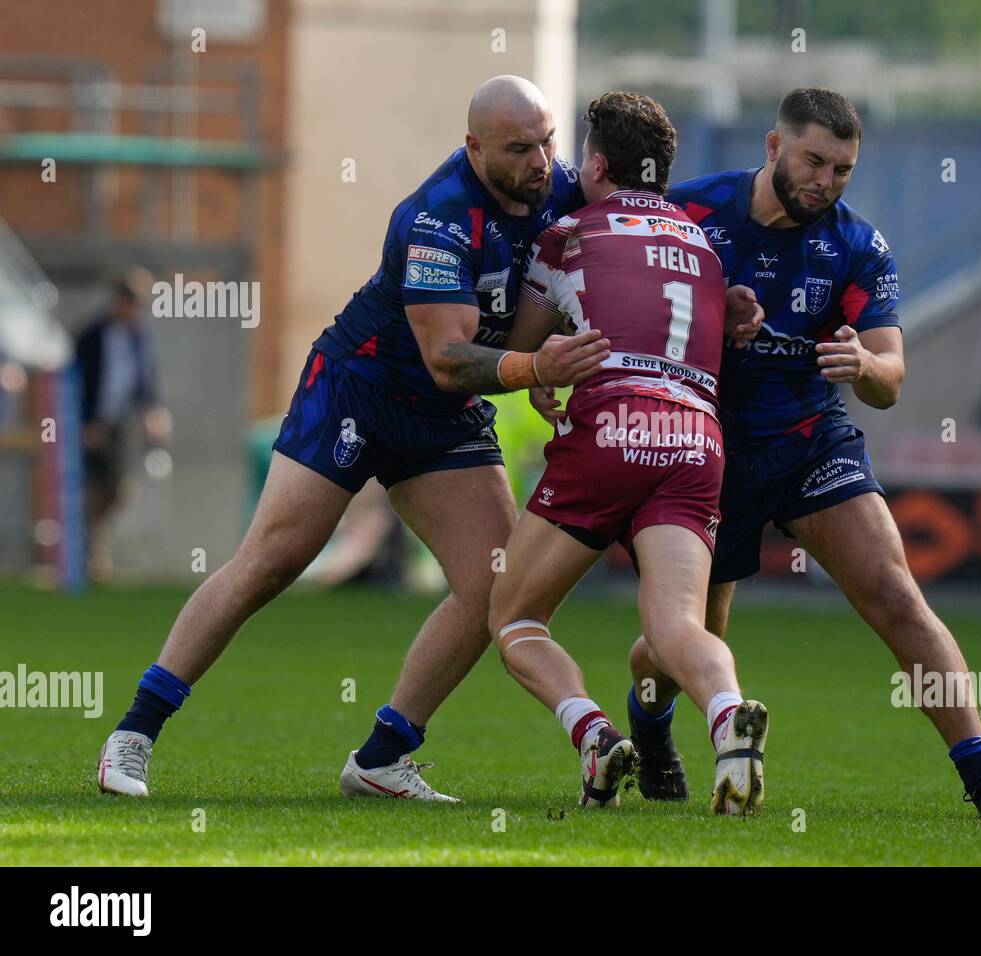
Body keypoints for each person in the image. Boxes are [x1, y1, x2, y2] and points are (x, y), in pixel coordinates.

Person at [96, 75, 611, 801]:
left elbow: (641, 233)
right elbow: (447, 358)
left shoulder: (557, 187)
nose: (540, 162)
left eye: (547, 142)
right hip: (357, 392)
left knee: (496, 589)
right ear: (474, 147)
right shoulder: (436, 216)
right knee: (270, 562)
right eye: (519, 148)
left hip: (442, 417)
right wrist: (533, 367)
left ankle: (381, 757)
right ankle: (133, 734)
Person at [617, 88, 981, 819]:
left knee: (895, 596)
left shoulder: (858, 247)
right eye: (814, 161)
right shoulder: (687, 214)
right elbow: (626, 313)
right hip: (705, 451)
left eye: (842, 170)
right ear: (774, 146)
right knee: (683, 644)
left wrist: (863, 365)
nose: (825, 181)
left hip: (811, 444)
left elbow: (890, 379)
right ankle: (649, 724)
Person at [490, 92, 768, 814]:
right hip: (697, 437)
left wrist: (540, 369)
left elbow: (521, 351)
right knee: (675, 628)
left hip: (613, 429)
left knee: (514, 618)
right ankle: (728, 713)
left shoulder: (568, 234)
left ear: (597, 164)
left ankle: (594, 734)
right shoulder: (703, 246)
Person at [75, 268, 172, 582]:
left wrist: (153, 411)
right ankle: (91, 552)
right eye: (134, 301)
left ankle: (92, 541)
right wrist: (84, 422)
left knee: (122, 489)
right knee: (95, 486)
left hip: (123, 424)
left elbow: (146, 378)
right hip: (94, 423)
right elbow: (76, 381)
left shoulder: (139, 337)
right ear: (121, 301)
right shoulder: (92, 335)